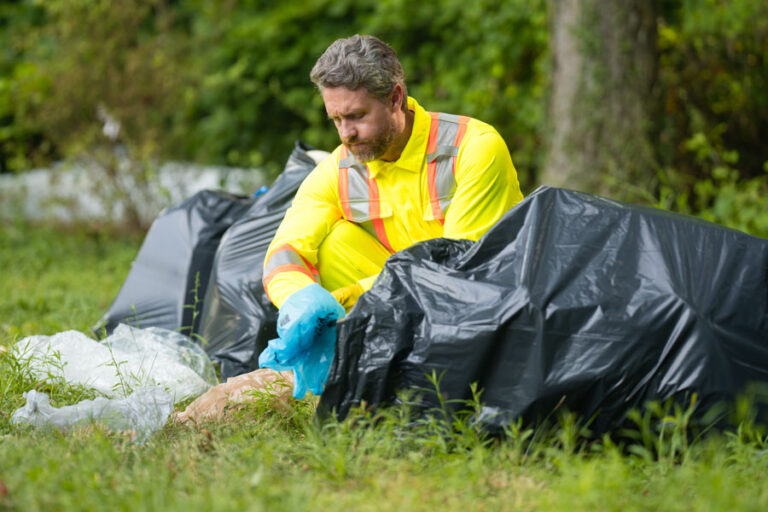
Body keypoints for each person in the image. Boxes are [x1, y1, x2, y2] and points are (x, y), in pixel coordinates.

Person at [258, 34, 524, 398]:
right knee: (333, 242)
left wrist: (347, 299)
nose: (346, 134)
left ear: (395, 98)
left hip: (483, 312)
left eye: (356, 116)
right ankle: (366, 387)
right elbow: (285, 250)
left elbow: (462, 271)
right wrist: (299, 300)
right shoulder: (339, 169)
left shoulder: (474, 149)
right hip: (402, 304)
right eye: (335, 119)